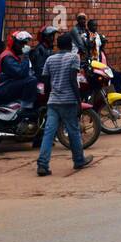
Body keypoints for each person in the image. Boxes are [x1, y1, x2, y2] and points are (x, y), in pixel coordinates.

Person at [37, 33, 91, 176]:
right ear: (70, 45)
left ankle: (42, 164)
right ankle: (79, 160)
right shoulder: (74, 57)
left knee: (48, 133)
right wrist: (79, 101)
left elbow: (46, 82)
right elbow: (73, 80)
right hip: (68, 101)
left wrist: (48, 98)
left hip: (53, 101)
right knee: (73, 131)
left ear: (58, 45)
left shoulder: (50, 59)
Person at [0, 30, 38, 104]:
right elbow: (21, 73)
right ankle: (26, 108)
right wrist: (25, 55)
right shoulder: (7, 57)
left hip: (4, 85)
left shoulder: (13, 55)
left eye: (25, 44)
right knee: (31, 80)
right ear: (13, 43)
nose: (23, 46)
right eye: (21, 44)